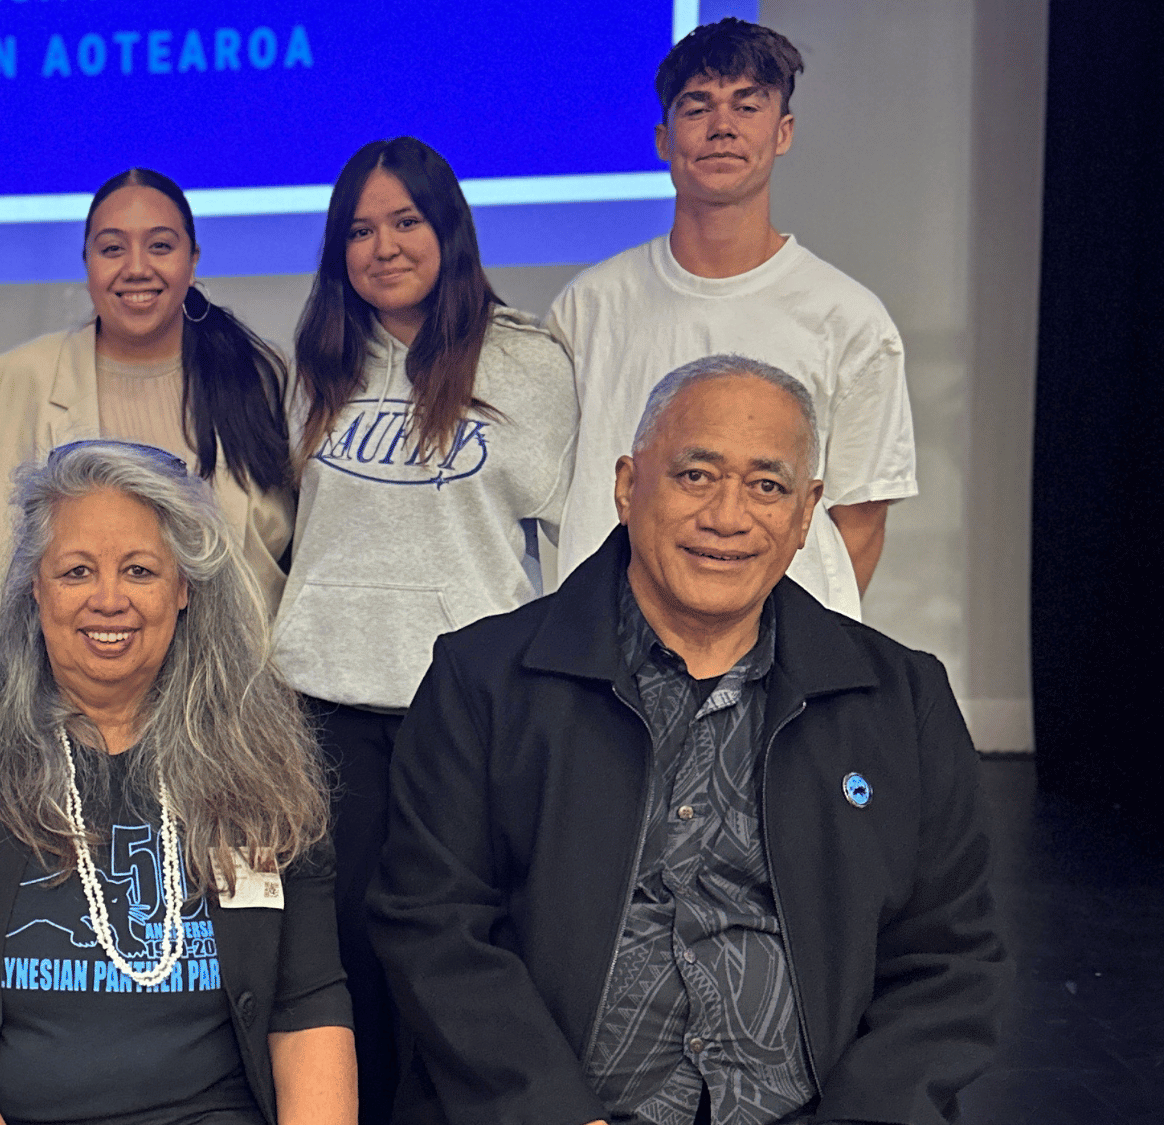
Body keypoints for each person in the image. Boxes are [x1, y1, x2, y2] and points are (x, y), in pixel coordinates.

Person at [370, 357, 1007, 1125]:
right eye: (696, 475)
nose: (728, 516)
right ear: (627, 485)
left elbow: (950, 959)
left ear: (806, 516)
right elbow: (434, 928)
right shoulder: (482, 681)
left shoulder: (902, 700)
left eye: (767, 486)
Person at [0, 441, 357, 1125]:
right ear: (35, 585)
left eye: (141, 569)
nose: (109, 599)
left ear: (184, 588)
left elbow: (308, 1006)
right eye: (77, 570)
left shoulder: (259, 744)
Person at [272, 135, 577, 1124]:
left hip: (465, 712)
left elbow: (562, 539)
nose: (382, 246)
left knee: (454, 950)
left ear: (448, 227)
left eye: (405, 221)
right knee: (344, 954)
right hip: (325, 707)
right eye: (358, 229)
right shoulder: (314, 366)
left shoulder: (525, 364)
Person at [547, 17, 917, 619]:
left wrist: (797, 644)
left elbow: (860, 514)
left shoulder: (847, 319)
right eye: (698, 108)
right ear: (665, 139)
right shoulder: (588, 307)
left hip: (774, 666)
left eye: (747, 106)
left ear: (783, 132)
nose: (722, 127)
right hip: (607, 649)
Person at [0, 168, 296, 619]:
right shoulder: (22, 377)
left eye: (161, 246)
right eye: (112, 249)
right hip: (70, 675)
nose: (136, 268)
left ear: (193, 260)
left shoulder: (261, 374)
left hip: (230, 676)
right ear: (87, 262)